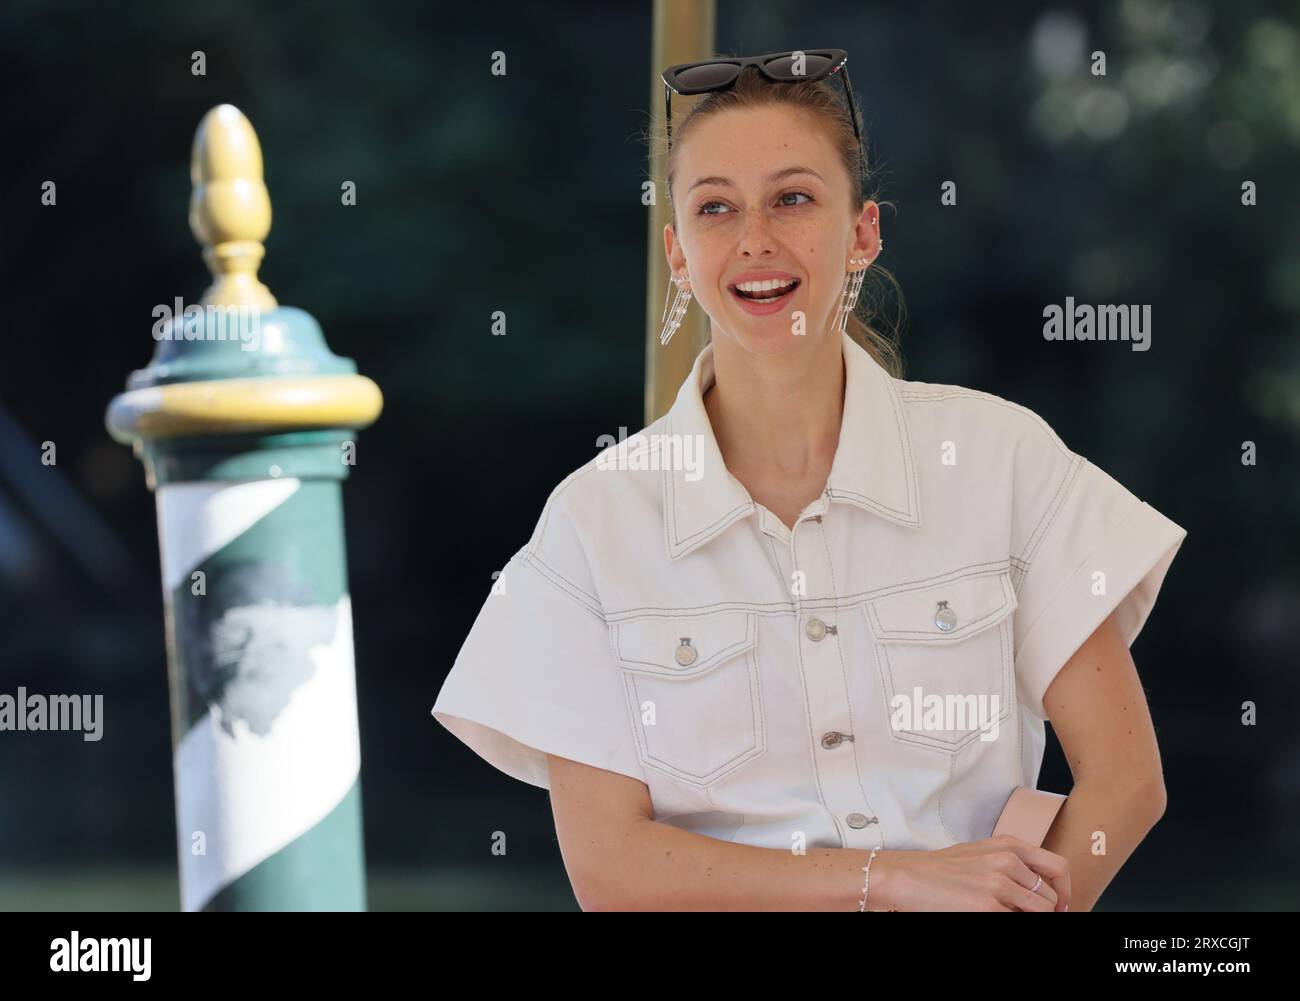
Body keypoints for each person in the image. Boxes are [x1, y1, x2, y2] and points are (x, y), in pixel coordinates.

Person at [431, 53, 1186, 911]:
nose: (754, 238)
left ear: (862, 231)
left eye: (792, 198)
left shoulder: (1000, 458)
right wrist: (886, 879)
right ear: (677, 253)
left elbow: (1124, 784)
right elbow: (610, 865)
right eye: (716, 207)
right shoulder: (593, 523)